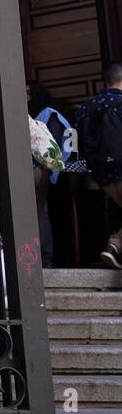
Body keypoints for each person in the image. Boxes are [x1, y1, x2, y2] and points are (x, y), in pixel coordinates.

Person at [74, 63, 122, 268]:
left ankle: (115, 246)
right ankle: (114, 243)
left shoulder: (85, 107)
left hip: (103, 177)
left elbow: (79, 142)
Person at [28, 80, 73, 268]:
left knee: (42, 216)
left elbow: (65, 145)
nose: (26, 97)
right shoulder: (49, 114)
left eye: (29, 93)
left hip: (49, 174)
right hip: (52, 174)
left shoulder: (48, 115)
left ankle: (45, 259)